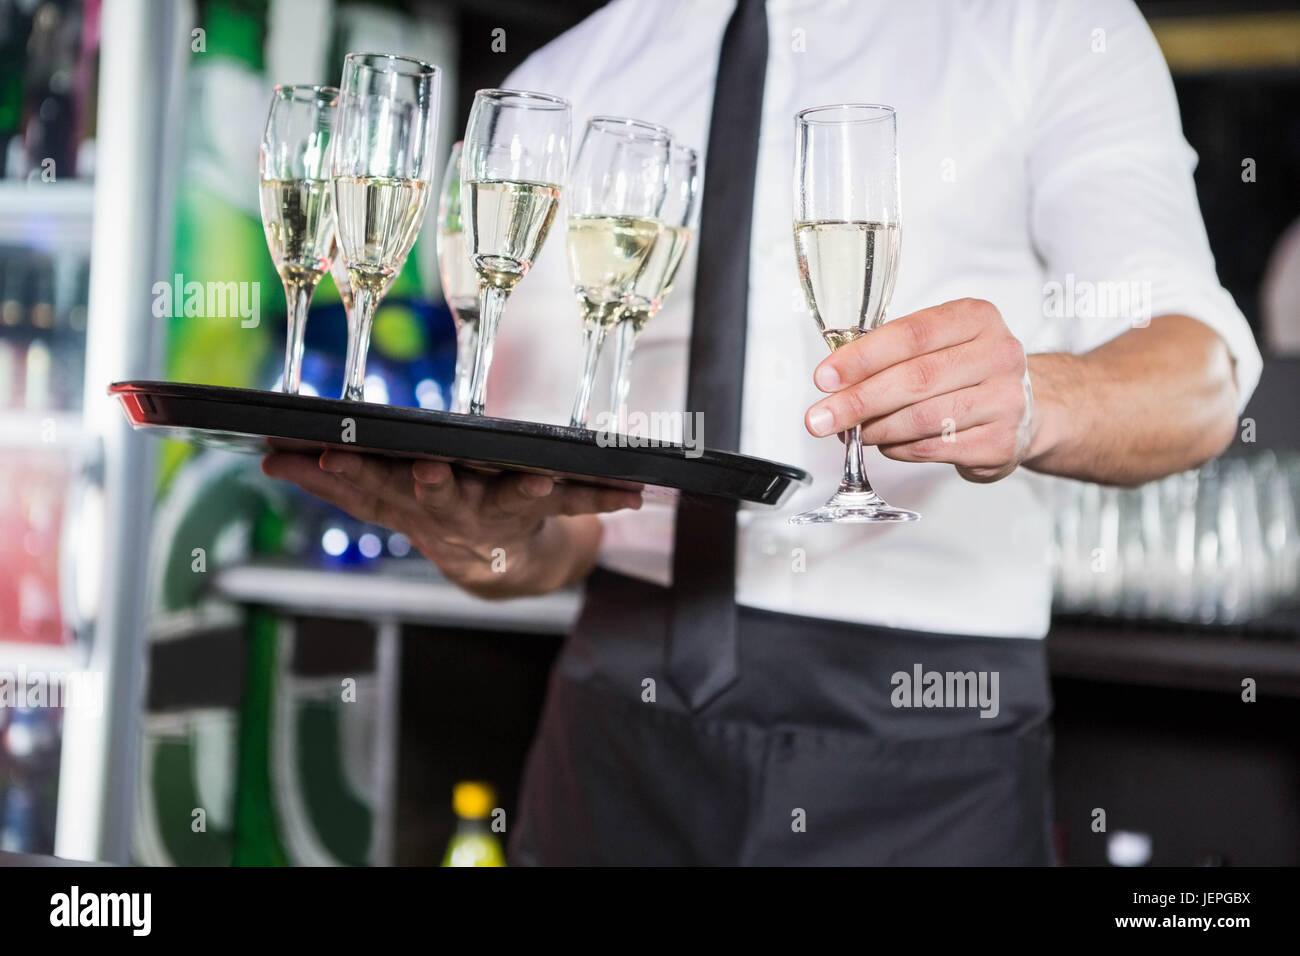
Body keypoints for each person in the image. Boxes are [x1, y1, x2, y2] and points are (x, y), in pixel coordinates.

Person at [264, 0, 1261, 865]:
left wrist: (1035, 397)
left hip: (927, 747)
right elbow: (552, 529)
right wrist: (477, 537)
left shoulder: (1048, 26)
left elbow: (1199, 377)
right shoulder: (563, 78)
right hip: (611, 724)